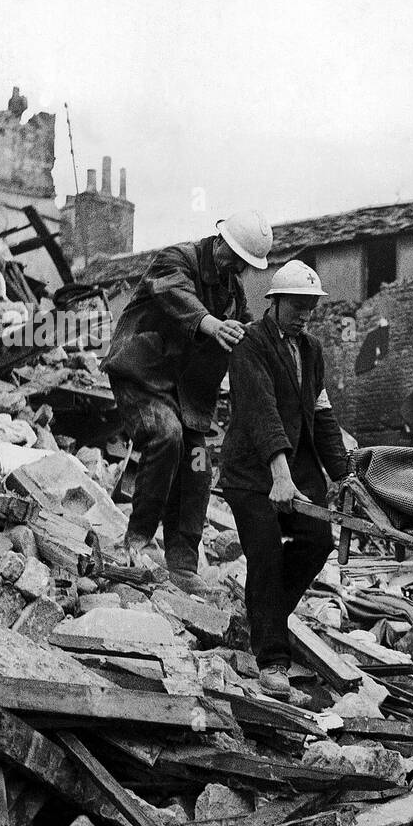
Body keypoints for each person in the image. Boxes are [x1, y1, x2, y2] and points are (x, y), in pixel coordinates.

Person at [102, 211, 271, 592]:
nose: (239, 269)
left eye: (246, 265)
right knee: (166, 436)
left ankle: (182, 563)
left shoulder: (233, 292)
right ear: (221, 242)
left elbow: (243, 332)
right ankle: (137, 538)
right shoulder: (176, 260)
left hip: (189, 395)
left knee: (197, 466)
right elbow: (175, 297)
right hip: (142, 374)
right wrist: (212, 325)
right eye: (237, 259)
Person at [219, 260, 350, 704]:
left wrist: (345, 476)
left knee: (317, 540)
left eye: (311, 307)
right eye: (297, 305)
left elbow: (323, 415)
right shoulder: (249, 344)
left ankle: (261, 618)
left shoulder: (311, 350)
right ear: (274, 302)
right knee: (266, 551)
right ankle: (272, 659)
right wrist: (279, 473)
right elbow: (260, 411)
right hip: (253, 473)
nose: (305, 314)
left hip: (295, 470)